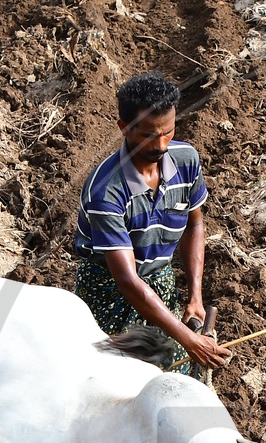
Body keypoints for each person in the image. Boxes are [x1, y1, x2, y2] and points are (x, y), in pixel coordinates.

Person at [73, 71, 227, 375]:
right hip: (110, 294)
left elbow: (194, 225)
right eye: (148, 134)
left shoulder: (185, 160)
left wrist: (195, 297)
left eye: (168, 132)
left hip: (159, 283)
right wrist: (189, 340)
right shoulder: (107, 192)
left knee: (174, 374)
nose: (160, 144)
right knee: (115, 382)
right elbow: (128, 281)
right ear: (124, 128)